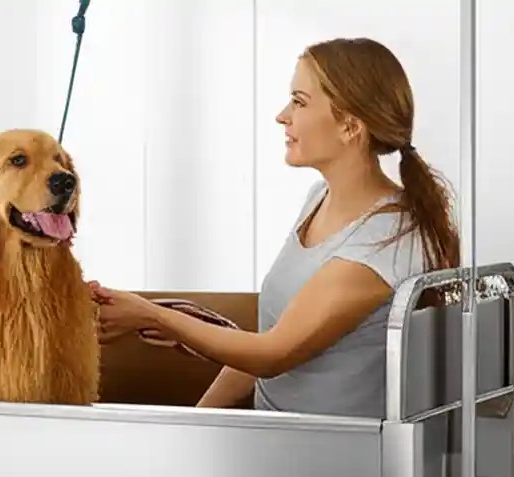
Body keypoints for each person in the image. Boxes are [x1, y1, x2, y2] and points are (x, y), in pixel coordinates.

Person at [89, 37, 461, 418]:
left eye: (299, 102)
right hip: (273, 438)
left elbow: (273, 354)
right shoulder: (319, 199)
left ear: (350, 126)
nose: (282, 115)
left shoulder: (390, 237)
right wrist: (196, 422)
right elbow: (260, 346)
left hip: (330, 457)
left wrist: (153, 315)